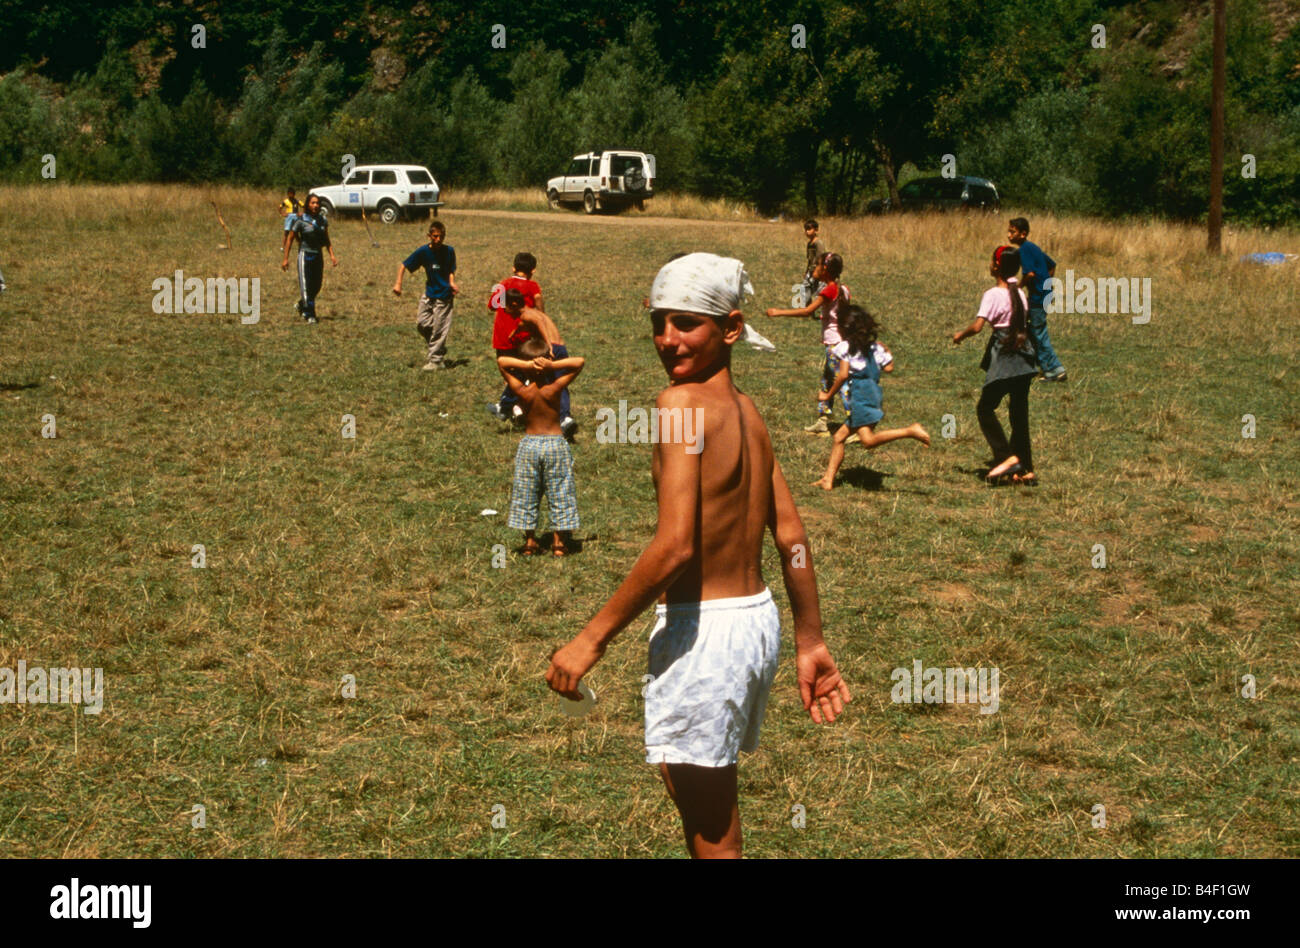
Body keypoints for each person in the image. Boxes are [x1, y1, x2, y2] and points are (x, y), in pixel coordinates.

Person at [545, 252, 851, 859]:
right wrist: (809, 639)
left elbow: (676, 545)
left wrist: (592, 639)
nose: (667, 339)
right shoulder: (749, 415)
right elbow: (790, 536)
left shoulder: (678, 406)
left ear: (730, 328)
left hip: (705, 633)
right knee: (697, 789)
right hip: (753, 621)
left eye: (686, 323)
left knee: (709, 823)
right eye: (658, 323)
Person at [813, 304, 929, 490]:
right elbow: (889, 368)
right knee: (839, 437)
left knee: (867, 441)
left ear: (844, 329)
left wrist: (827, 395)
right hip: (874, 395)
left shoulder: (845, 347)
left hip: (861, 397)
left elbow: (842, 375)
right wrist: (888, 351)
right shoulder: (875, 348)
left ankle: (910, 431)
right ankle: (828, 479)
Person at [952, 245, 1038, 484]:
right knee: (1019, 413)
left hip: (1006, 355)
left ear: (997, 266)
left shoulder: (992, 294)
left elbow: (978, 327)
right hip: (1025, 355)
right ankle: (1026, 468)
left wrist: (960, 335)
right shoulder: (1019, 293)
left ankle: (1005, 457)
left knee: (985, 408)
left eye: (992, 260)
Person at [498, 333, 584, 556]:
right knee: (560, 491)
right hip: (555, 443)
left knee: (526, 492)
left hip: (530, 444)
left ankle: (529, 542)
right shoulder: (554, 388)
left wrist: (527, 364)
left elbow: (502, 362)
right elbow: (579, 362)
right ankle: (558, 543)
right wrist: (550, 364)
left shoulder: (522, 391)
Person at [765, 252, 850, 434]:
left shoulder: (828, 290)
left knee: (841, 383)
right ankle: (823, 420)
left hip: (835, 345)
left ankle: (857, 426)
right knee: (827, 381)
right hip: (839, 342)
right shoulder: (843, 289)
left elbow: (806, 311)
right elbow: (839, 314)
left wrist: (778, 312)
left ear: (825, 269)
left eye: (817, 265)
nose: (814, 268)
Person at [491, 290, 578, 437]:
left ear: (513, 304)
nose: (504, 311)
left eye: (505, 307)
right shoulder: (532, 313)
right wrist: (514, 333)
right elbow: (525, 323)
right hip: (560, 348)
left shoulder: (527, 315)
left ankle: (563, 418)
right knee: (556, 383)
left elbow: (539, 324)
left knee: (525, 374)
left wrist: (549, 345)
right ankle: (564, 418)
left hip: (551, 349)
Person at [393, 220, 458, 370]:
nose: (438, 240)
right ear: (429, 236)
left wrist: (452, 283)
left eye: (441, 236)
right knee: (422, 324)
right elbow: (404, 265)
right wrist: (398, 284)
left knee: (439, 329)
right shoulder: (423, 252)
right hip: (429, 294)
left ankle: (436, 361)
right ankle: (438, 347)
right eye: (435, 236)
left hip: (444, 296)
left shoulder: (449, 251)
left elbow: (450, 270)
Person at [1007, 217, 1065, 382]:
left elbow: (1029, 273)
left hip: (1039, 297)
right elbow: (1052, 265)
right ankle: (1041, 366)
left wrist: (1018, 288)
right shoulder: (1033, 247)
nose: (1009, 235)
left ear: (1023, 234)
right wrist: (1045, 283)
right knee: (1032, 330)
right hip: (1043, 294)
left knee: (1039, 333)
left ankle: (1055, 369)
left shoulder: (1024, 250)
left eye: (1012, 232)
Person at [280, 193, 337, 324]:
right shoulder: (300, 220)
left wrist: (332, 255)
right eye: (313, 203)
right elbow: (290, 239)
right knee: (306, 285)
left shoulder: (323, 220)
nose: (315, 205)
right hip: (305, 256)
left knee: (317, 285)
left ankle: (302, 304)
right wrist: (285, 259)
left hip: (318, 254)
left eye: (317, 203)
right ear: (307, 204)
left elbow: (326, 239)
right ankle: (310, 314)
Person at [793, 219, 825, 307]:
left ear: (816, 230)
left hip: (817, 271)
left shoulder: (818, 243)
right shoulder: (809, 244)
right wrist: (806, 270)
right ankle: (808, 309)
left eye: (809, 229)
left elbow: (820, 258)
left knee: (819, 290)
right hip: (811, 271)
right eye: (805, 229)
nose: (807, 232)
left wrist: (818, 271)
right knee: (805, 287)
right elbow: (809, 259)